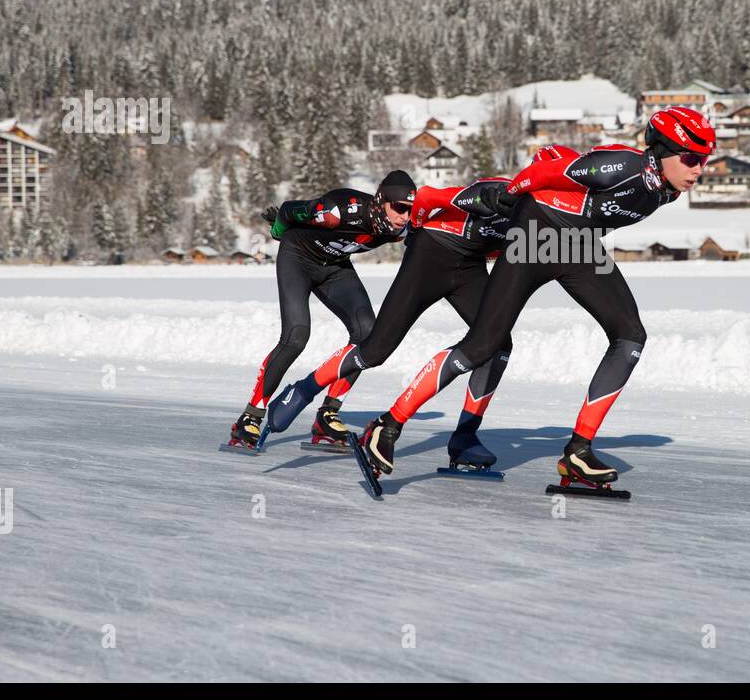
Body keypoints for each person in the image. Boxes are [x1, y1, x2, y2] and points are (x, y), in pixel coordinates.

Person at [355, 107, 716, 489]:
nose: (698, 170)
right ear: (660, 151)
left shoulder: (668, 191)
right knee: (483, 345)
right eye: (691, 158)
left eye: (704, 161)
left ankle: (578, 452)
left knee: (630, 335)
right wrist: (510, 197)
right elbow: (545, 173)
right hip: (535, 232)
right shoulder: (622, 166)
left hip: (577, 246)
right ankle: (387, 426)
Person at [256, 163, 564, 467]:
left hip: (468, 267)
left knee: (498, 343)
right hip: (432, 253)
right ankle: (304, 389)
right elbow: (429, 196)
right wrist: (280, 229)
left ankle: (465, 437)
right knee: (375, 349)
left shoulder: (556, 222)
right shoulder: (501, 193)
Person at [226, 170, 416, 449]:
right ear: (381, 201)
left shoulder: (400, 228)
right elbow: (290, 210)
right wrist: (278, 231)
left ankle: (327, 415)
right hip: (297, 259)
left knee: (368, 334)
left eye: (410, 211)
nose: (404, 217)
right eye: (399, 208)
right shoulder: (338, 211)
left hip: (335, 267)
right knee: (296, 337)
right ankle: (249, 417)